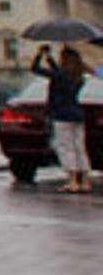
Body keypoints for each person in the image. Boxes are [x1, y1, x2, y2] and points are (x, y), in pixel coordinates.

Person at [31, 44, 92, 194]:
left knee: (66, 147)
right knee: (80, 147)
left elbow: (35, 69)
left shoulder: (60, 75)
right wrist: (50, 59)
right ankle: (84, 181)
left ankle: (72, 181)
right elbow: (58, 72)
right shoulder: (79, 75)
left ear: (64, 60)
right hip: (77, 114)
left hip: (61, 115)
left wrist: (40, 55)